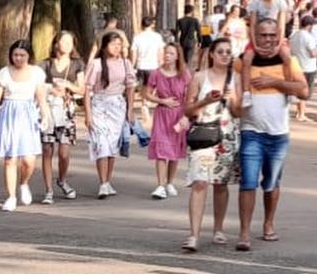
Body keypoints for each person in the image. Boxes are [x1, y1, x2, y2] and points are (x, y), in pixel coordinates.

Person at [233, 18, 308, 250]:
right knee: (247, 182)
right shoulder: (242, 63)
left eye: (272, 35)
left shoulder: (288, 61)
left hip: (278, 134)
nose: (267, 40)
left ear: (279, 37)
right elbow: (235, 102)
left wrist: (274, 82)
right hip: (251, 132)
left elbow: (304, 91)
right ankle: (244, 233)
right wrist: (236, 106)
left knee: (271, 182)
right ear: (253, 37)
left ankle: (268, 223)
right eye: (262, 35)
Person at [181, 37, 241, 251]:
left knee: (220, 183)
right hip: (204, 132)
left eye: (228, 52)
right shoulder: (199, 77)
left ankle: (218, 229)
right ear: (212, 54)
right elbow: (187, 110)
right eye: (221, 51)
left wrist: (232, 97)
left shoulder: (236, 78)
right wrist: (205, 100)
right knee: (200, 182)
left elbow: (239, 112)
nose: (225, 55)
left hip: (227, 134)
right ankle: (193, 234)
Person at [0, 39, 51, 212]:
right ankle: (11, 196)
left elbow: (41, 97)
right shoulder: (4, 73)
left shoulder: (36, 73)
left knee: (29, 159)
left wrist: (45, 116)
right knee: (10, 158)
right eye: (15, 55)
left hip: (28, 113)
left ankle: (24, 183)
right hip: (9, 114)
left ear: (29, 56)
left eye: (22, 55)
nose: (18, 58)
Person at [83, 29, 136, 199]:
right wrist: (88, 114)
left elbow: (130, 87)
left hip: (117, 106)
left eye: (119, 44)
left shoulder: (125, 63)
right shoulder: (97, 64)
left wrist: (130, 109)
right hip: (99, 105)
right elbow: (87, 89)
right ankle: (102, 183)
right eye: (113, 44)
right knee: (101, 145)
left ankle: (108, 180)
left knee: (112, 147)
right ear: (105, 46)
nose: (116, 47)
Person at [40, 31, 84, 203]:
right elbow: (37, 85)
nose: (66, 45)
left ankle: (62, 180)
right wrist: (50, 88)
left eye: (70, 42)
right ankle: (48, 189)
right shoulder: (45, 64)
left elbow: (82, 89)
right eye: (63, 41)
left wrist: (68, 85)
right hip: (47, 108)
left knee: (64, 152)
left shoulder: (77, 64)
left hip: (66, 110)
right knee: (47, 149)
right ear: (56, 43)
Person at [144, 42, 190, 199]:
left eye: (171, 53)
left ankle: (170, 182)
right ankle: (160, 185)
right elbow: (147, 93)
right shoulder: (156, 73)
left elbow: (190, 95)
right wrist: (162, 101)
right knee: (161, 150)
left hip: (178, 115)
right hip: (162, 115)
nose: (167, 56)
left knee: (174, 150)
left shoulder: (184, 74)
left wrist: (186, 115)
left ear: (177, 56)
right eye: (166, 53)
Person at [288, 14, 317, 120]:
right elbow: (313, 53)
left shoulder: (294, 36)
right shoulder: (308, 37)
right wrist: (316, 51)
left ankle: (299, 112)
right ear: (309, 25)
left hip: (296, 66)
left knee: (299, 90)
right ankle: (301, 114)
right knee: (304, 92)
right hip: (308, 67)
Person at [130, 16, 165, 87]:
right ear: (152, 24)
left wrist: (132, 66)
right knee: (152, 87)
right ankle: (148, 98)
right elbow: (160, 52)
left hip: (141, 65)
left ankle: (144, 98)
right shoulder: (157, 36)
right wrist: (161, 64)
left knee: (143, 87)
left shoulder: (137, 37)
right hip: (153, 65)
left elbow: (134, 53)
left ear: (142, 25)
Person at [175, 5, 202, 70]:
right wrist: (200, 41)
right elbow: (199, 31)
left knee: (183, 57)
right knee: (189, 57)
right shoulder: (195, 20)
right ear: (191, 11)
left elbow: (177, 32)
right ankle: (187, 70)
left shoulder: (180, 20)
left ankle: (183, 69)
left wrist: (176, 41)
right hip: (191, 41)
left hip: (182, 41)